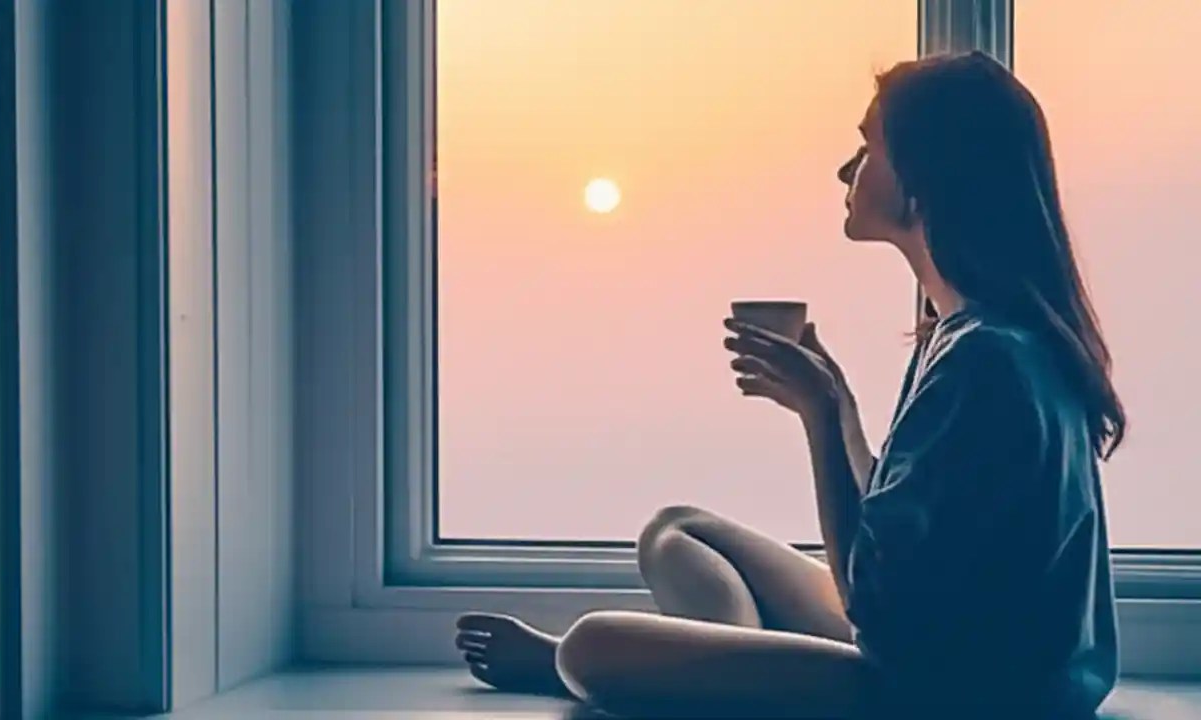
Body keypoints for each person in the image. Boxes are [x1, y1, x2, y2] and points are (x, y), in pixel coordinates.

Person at [454, 50, 1124, 719]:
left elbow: (873, 605)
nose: (845, 169)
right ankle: (724, 672)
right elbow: (902, 521)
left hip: (946, 697)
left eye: (867, 147)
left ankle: (655, 675)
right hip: (973, 664)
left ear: (922, 178)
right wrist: (839, 405)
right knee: (678, 532)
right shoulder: (978, 332)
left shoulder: (983, 360)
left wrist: (816, 421)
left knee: (590, 646)